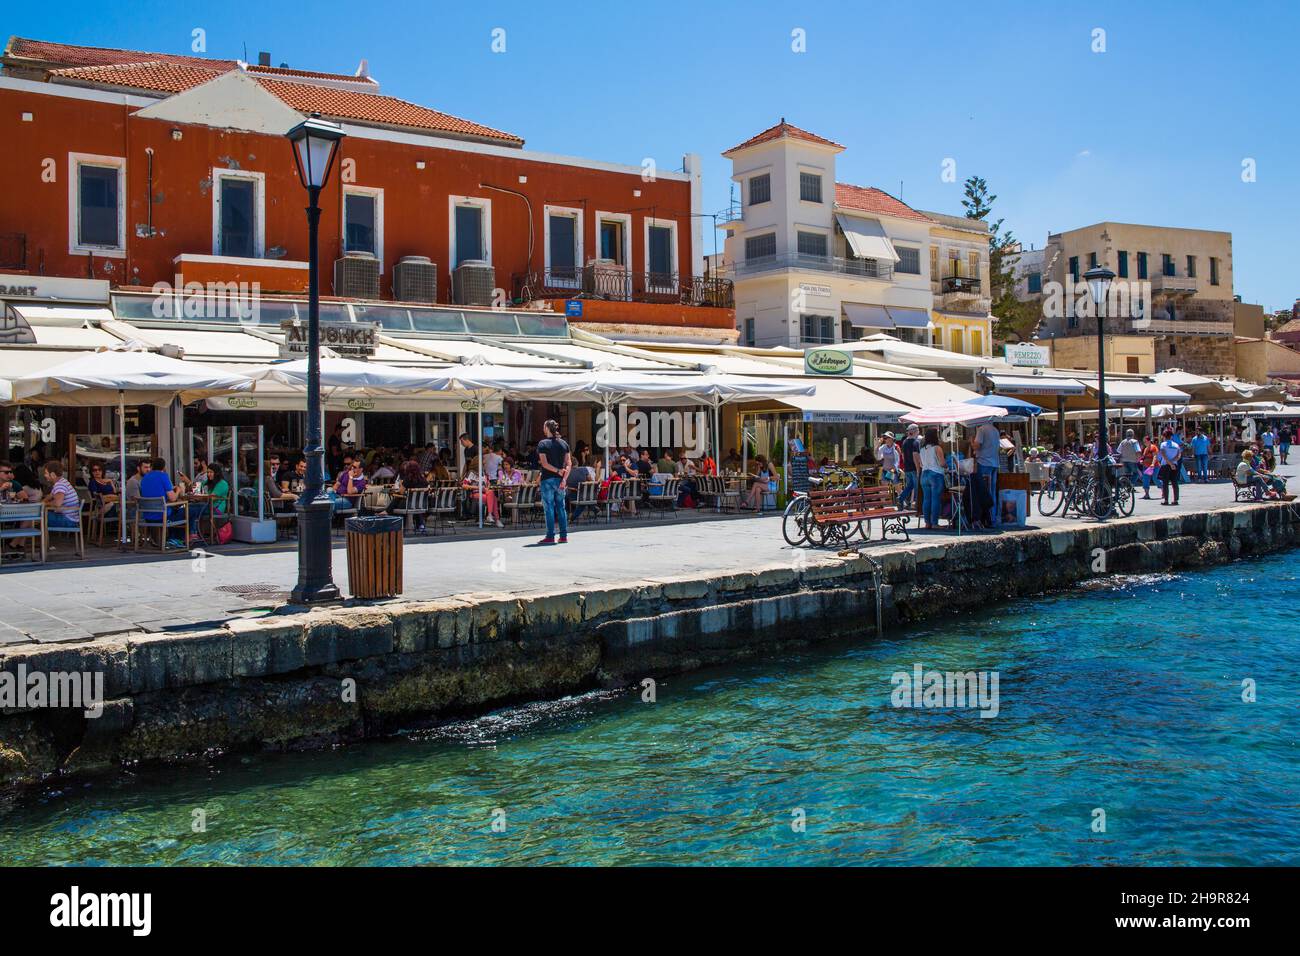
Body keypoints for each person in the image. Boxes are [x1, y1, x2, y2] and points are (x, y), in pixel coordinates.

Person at [536, 419, 571, 544]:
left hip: (547, 480)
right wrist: (564, 478)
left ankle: (550, 535)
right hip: (560, 480)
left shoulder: (543, 444)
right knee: (561, 508)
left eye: (543, 427)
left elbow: (544, 464)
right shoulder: (564, 444)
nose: (542, 429)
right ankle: (563, 536)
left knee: (549, 508)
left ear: (547, 428)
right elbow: (569, 464)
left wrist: (557, 471)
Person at [971, 418, 1001, 527]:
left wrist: (971, 441)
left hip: (984, 462)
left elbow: (977, 446)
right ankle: (992, 517)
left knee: (983, 491)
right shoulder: (995, 430)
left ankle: (986, 518)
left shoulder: (981, 429)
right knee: (992, 491)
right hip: (994, 463)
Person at [919, 428, 947, 531]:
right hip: (935, 474)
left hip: (924, 474)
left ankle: (927, 522)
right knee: (935, 499)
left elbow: (921, 464)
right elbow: (942, 463)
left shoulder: (922, 449)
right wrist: (948, 465)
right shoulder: (937, 448)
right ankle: (935, 522)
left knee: (926, 499)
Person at [40, 461, 81, 531]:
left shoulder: (60, 485)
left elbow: (57, 504)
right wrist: (40, 503)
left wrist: (44, 504)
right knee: (39, 514)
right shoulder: (62, 481)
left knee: (38, 516)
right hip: (72, 519)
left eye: (46, 473)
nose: (44, 475)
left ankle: (40, 540)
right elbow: (50, 496)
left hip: (68, 520)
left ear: (52, 474)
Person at [899, 424, 921, 512]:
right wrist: (918, 468)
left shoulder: (904, 442)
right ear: (914, 431)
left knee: (909, 486)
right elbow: (915, 456)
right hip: (914, 468)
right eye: (918, 430)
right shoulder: (916, 442)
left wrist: (905, 466)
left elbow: (903, 456)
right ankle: (916, 504)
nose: (918, 432)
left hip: (907, 468)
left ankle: (900, 498)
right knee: (916, 487)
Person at [1157, 429, 1182, 506]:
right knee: (1175, 483)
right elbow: (1179, 456)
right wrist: (1173, 462)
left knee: (1165, 483)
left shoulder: (1163, 444)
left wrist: (1169, 463)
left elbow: (1163, 455)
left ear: (1164, 436)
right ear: (1171, 436)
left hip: (1166, 465)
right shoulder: (1176, 445)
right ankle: (1175, 500)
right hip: (1175, 465)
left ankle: (1166, 500)